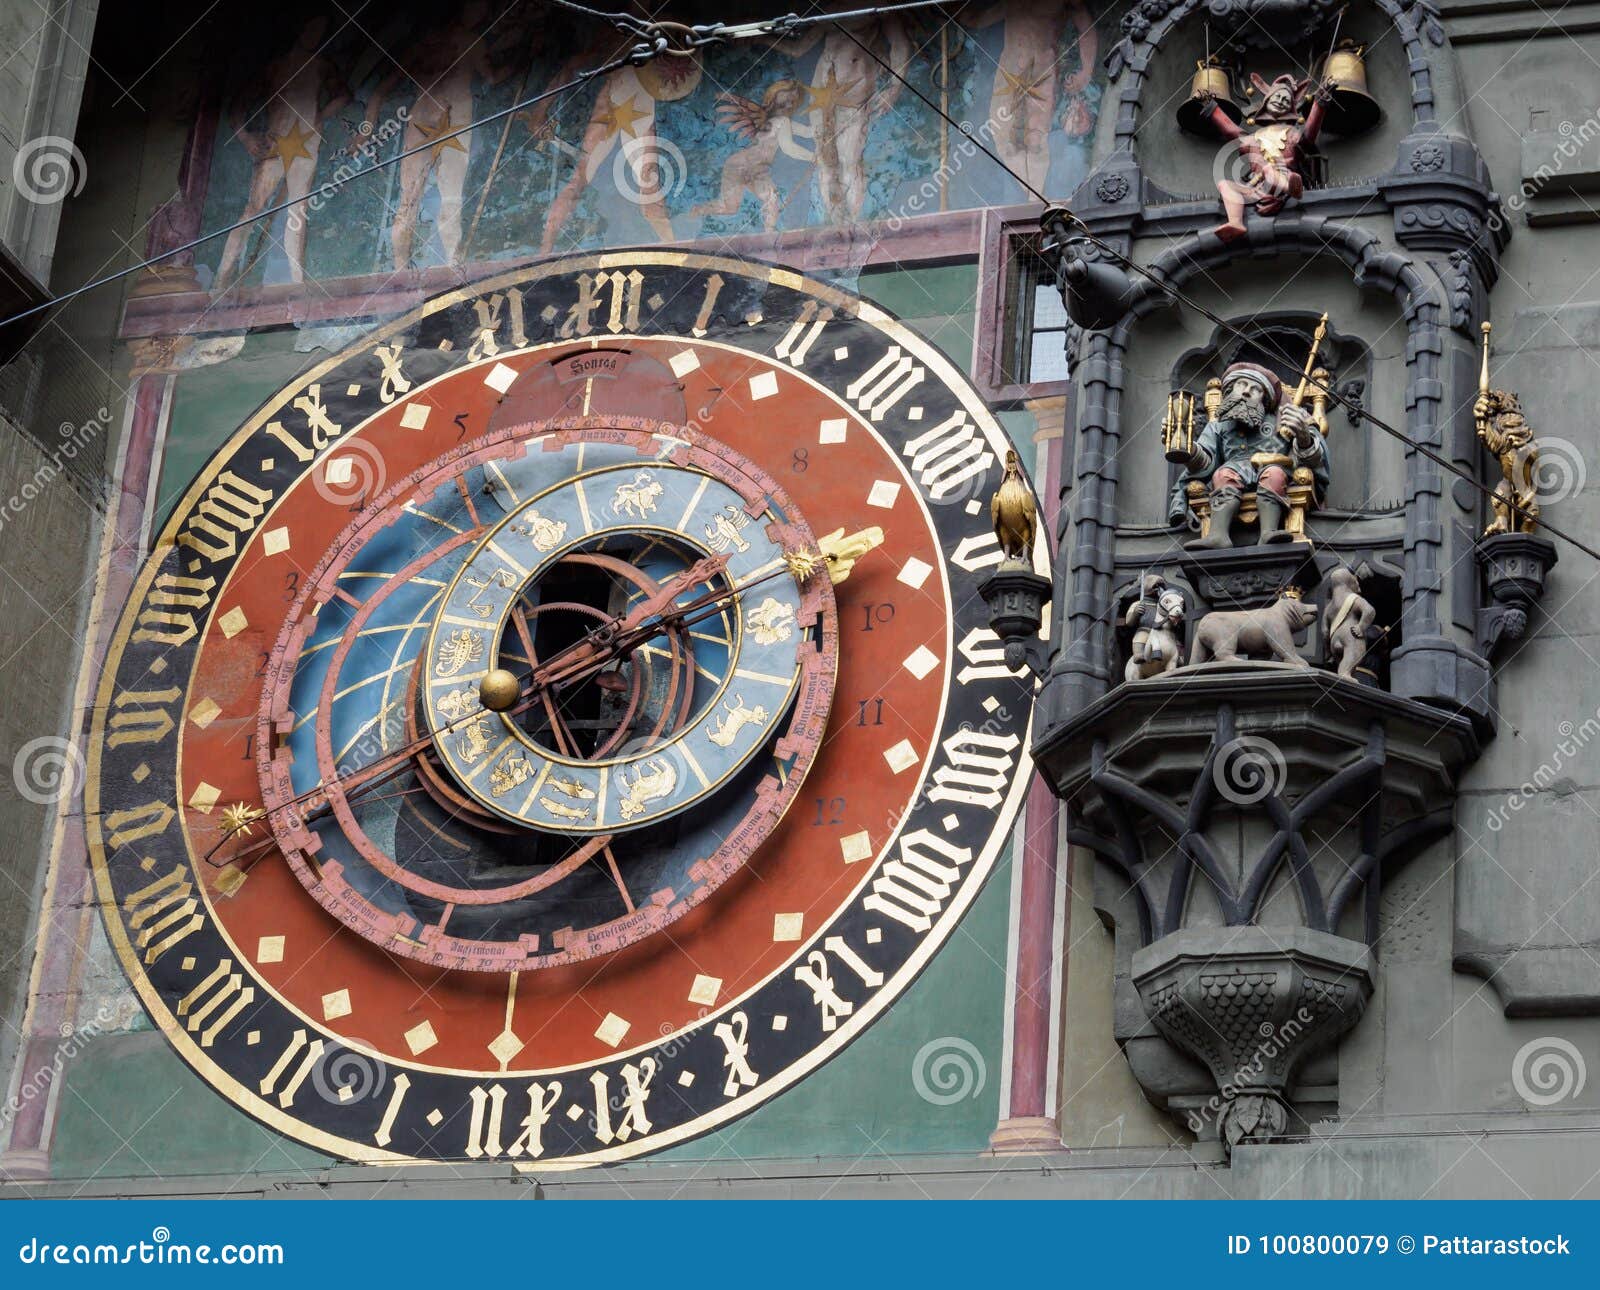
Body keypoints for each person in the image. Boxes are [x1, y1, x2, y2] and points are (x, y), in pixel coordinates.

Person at [1168, 361, 1329, 548]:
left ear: (1264, 399)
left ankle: (1268, 531)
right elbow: (1206, 462)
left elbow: (1309, 458)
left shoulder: (1280, 420)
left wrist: (1303, 435)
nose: (1246, 392)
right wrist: (1191, 451)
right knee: (1222, 475)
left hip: (1272, 468)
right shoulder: (1217, 427)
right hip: (1232, 470)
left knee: (1274, 475)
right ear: (1229, 391)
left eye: (1255, 389)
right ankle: (1218, 535)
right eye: (1241, 385)